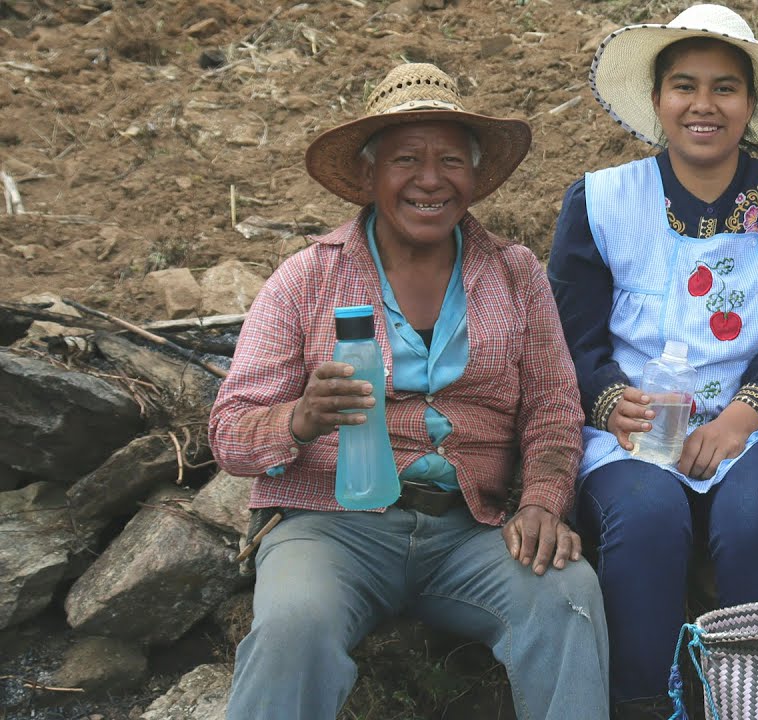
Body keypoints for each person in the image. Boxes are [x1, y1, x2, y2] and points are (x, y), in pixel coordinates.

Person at [208, 63, 609, 720]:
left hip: (470, 532)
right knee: (293, 627)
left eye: (451, 159)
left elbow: (553, 410)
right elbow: (230, 431)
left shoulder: (514, 274)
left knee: (567, 594)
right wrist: (301, 419)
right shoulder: (305, 280)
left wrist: (541, 503)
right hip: (330, 529)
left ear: (474, 177)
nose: (430, 179)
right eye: (405, 160)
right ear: (368, 177)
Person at [547, 4, 758, 716]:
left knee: (753, 513)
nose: (702, 105)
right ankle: (645, 701)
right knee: (644, 516)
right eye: (684, 85)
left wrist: (742, 418)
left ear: (751, 105)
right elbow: (571, 335)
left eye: (725, 88)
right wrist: (612, 401)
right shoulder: (600, 200)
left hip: (755, 426)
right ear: (656, 100)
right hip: (633, 428)